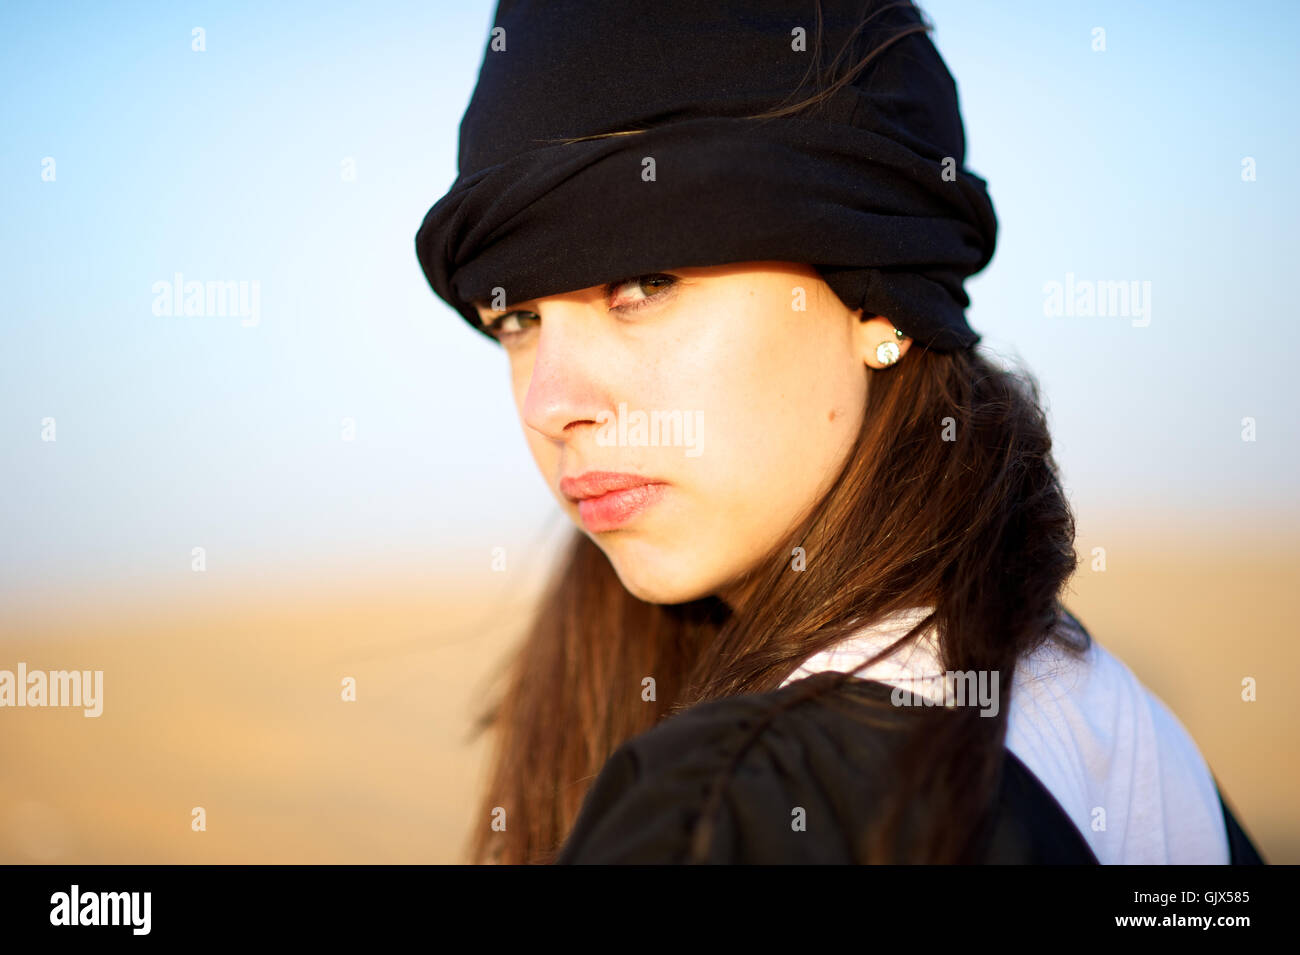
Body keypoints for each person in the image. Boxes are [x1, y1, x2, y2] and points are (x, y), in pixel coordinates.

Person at [413, 0, 1266, 864]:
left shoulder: (739, 816)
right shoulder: (1112, 728)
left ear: (875, 298)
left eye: (643, 281)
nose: (549, 403)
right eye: (516, 317)